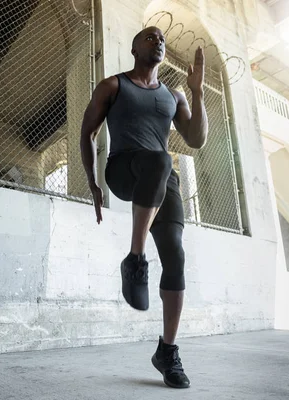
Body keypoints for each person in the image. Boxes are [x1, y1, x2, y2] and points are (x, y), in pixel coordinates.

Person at [79, 26, 208, 389]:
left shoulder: (174, 95)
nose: (159, 41)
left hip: (161, 177)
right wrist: (92, 182)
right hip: (124, 170)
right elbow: (87, 132)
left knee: (176, 256)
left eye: (161, 39)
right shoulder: (113, 86)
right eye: (150, 37)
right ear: (134, 47)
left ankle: (166, 351)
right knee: (159, 159)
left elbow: (196, 139)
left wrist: (196, 93)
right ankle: (135, 258)